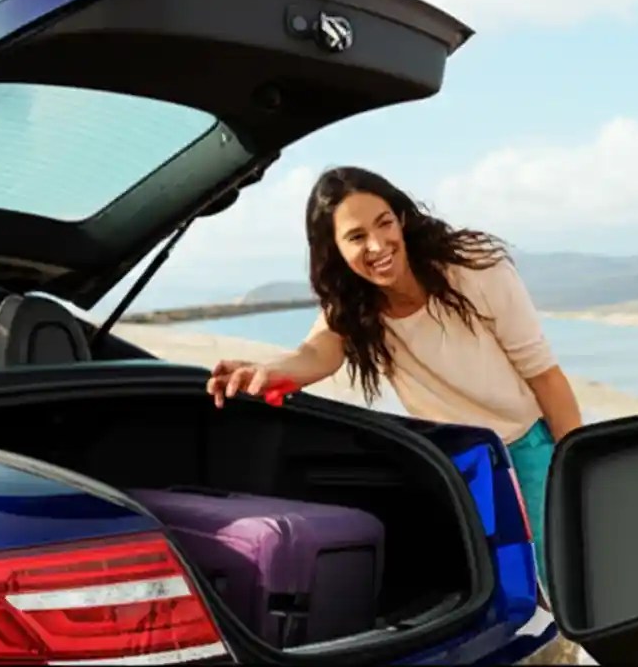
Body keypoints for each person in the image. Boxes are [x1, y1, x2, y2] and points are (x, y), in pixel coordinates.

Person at [205, 165, 583, 593]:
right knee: (495, 594)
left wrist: (581, 471)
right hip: (456, 463)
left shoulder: (474, 269)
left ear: (401, 218)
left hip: (524, 447)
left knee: (563, 582)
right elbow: (317, 353)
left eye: (384, 223)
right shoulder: (353, 304)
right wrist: (269, 372)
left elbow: (545, 376)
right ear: (335, 249)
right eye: (356, 236)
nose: (377, 245)